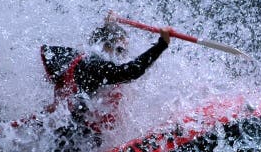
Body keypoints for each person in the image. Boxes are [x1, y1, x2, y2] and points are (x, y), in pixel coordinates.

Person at [39, 20, 171, 124]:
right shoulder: (95, 67)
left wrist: (110, 23)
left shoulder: (86, 59)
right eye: (119, 50)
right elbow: (131, 72)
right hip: (70, 131)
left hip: (67, 120)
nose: (121, 56)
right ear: (105, 45)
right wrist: (162, 45)